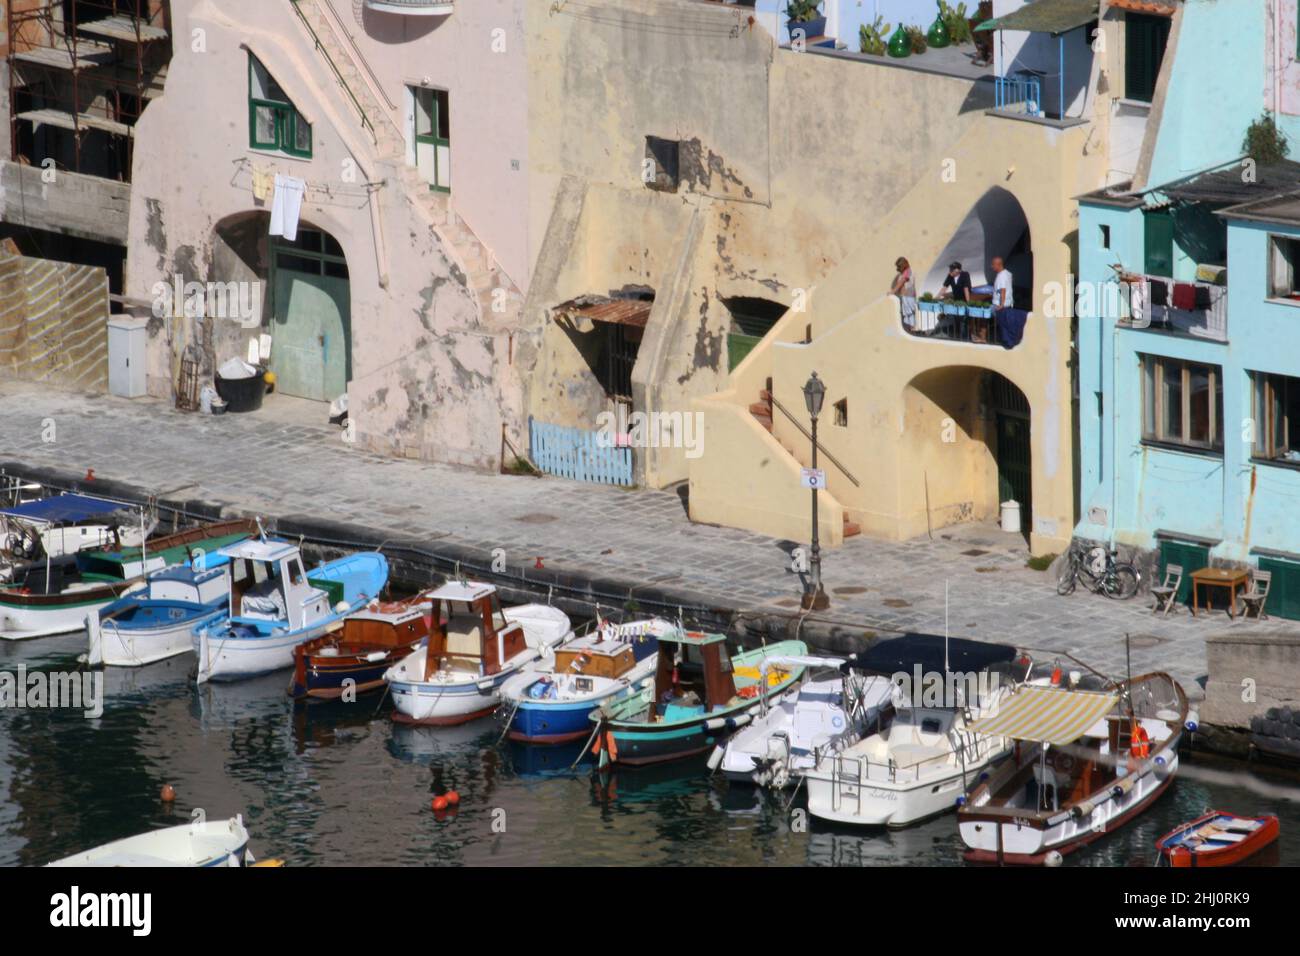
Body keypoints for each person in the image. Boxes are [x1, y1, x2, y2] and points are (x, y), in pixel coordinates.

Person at [891, 257, 918, 330]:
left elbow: (901, 282)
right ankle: (911, 329)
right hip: (908, 296)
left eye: (899, 266)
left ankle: (912, 329)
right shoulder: (907, 271)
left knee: (909, 315)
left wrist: (893, 291)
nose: (898, 268)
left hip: (908, 296)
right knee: (909, 315)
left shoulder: (908, 271)